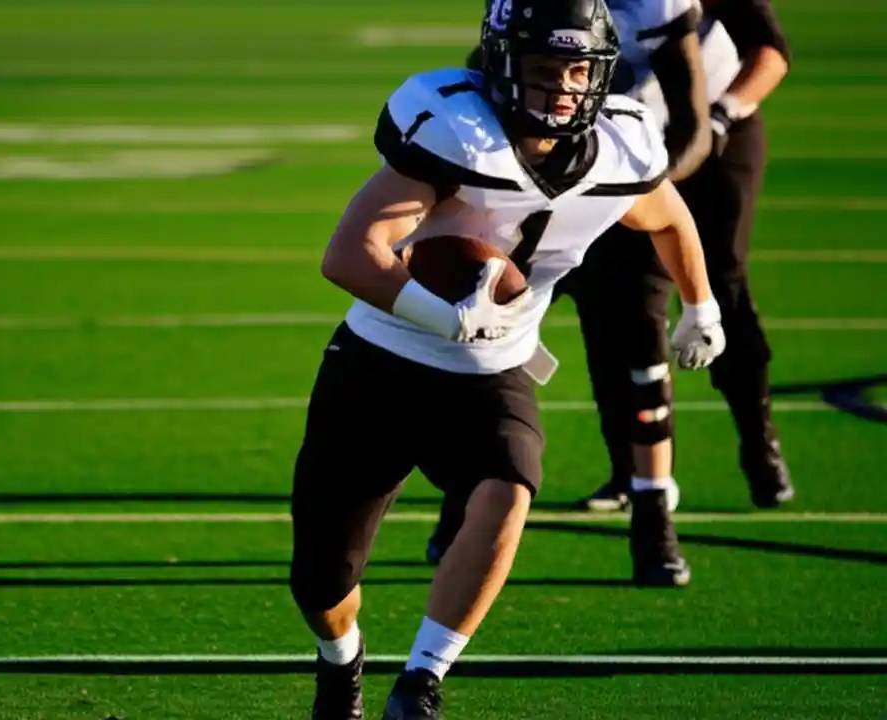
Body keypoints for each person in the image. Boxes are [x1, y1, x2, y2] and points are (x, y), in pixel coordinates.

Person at [287, 1, 726, 718]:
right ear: (501, 65)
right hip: (382, 358)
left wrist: (700, 305)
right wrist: (444, 313)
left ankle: (422, 681)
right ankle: (342, 661)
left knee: (510, 484)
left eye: (579, 68)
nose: (563, 86)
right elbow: (348, 254)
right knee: (322, 579)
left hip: (495, 370)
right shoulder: (457, 132)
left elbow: (668, 216)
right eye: (546, 67)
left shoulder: (619, 148)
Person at [428, 0, 717, 587]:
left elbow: (692, 125)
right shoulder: (523, 9)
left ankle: (654, 521)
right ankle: (461, 500)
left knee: (643, 366)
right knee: (476, 355)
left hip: (614, 184)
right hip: (524, 194)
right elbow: (487, 75)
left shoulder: (654, 9)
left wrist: (619, 188)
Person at [576, 0, 795, 517]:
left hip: (717, 133)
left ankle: (758, 439)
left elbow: (771, 52)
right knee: (615, 301)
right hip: (620, 142)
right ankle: (628, 468)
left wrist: (722, 115)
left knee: (721, 281)